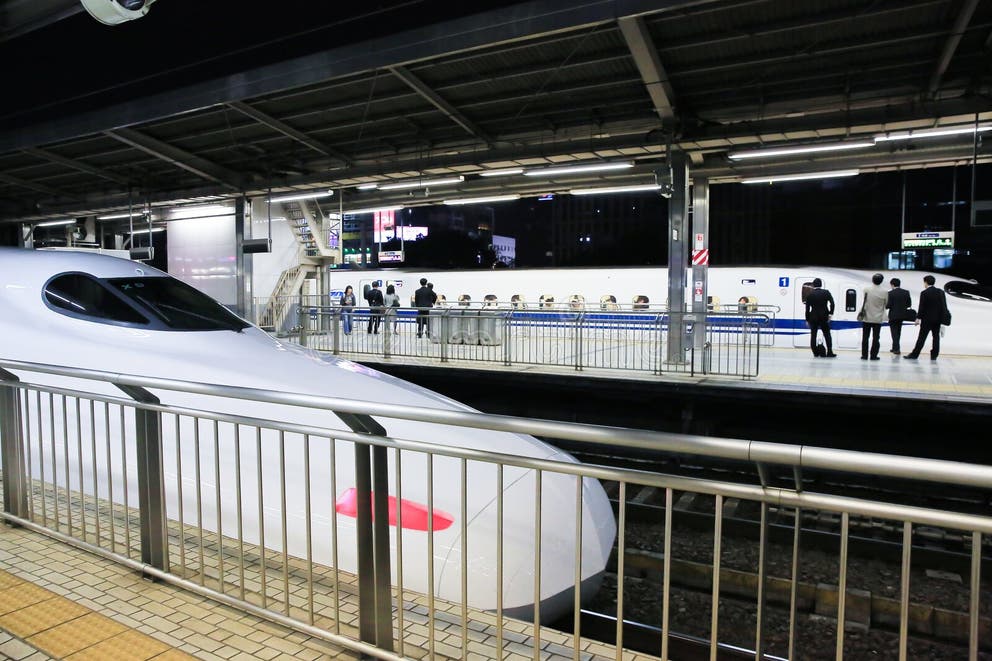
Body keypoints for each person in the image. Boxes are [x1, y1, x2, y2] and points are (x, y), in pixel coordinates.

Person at [904, 274, 948, 361]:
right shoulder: (940, 292)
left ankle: (914, 354)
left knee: (922, 337)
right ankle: (934, 355)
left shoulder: (924, 293)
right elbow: (944, 306)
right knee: (936, 337)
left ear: (926, 282)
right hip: (937, 319)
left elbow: (922, 307)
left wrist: (918, 318)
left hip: (926, 320)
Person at [804, 278, 837, 357]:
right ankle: (829, 352)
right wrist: (830, 314)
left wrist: (807, 319)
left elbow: (807, 309)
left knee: (813, 335)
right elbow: (832, 303)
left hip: (813, 317)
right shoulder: (826, 292)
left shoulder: (810, 295)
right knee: (827, 334)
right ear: (821, 284)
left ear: (813, 285)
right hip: (824, 316)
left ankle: (815, 352)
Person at [858, 273, 887, 360]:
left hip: (867, 317)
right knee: (876, 338)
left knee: (865, 337)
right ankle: (874, 355)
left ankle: (864, 355)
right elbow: (886, 303)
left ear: (872, 280)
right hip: (878, 318)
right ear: (881, 281)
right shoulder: (885, 292)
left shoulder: (866, 289)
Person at [885, 277, 912, 354]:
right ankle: (894, 347)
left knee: (894, 332)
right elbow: (909, 304)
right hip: (902, 315)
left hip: (893, 315)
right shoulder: (906, 292)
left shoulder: (890, 293)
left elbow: (888, 305)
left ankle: (896, 349)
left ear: (892, 285)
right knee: (898, 332)